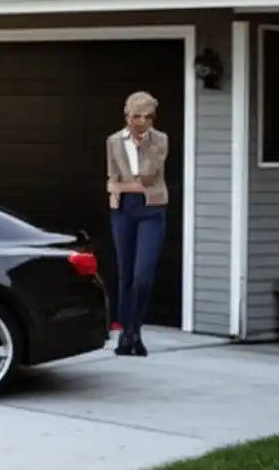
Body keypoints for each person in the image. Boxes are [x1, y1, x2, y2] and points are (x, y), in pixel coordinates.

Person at [105, 91, 169, 357]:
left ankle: (136, 329)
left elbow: (148, 177)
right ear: (127, 115)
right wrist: (117, 188)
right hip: (123, 211)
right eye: (137, 116)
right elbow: (111, 177)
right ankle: (126, 335)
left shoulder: (160, 140)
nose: (142, 122)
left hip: (151, 209)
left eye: (148, 117)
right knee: (126, 275)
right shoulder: (113, 141)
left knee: (143, 275)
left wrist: (120, 186)